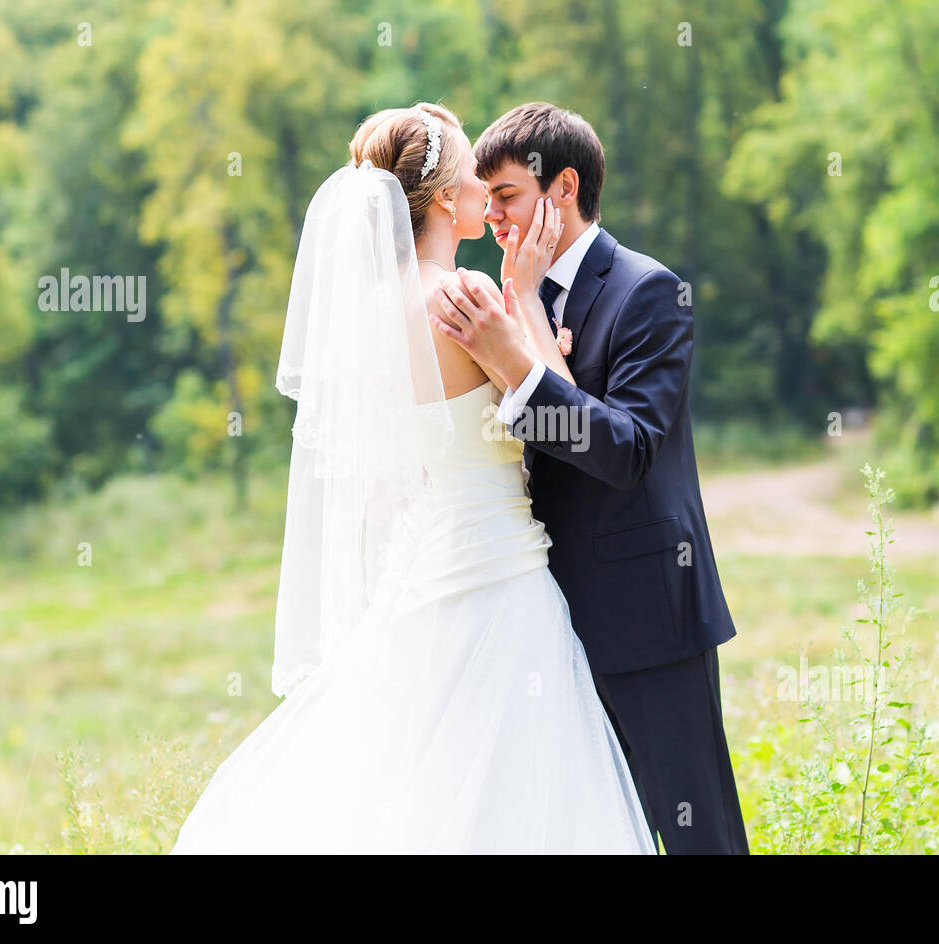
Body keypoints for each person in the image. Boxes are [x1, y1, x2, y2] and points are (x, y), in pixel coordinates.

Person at [171, 102, 654, 854]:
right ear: (442, 200)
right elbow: (566, 426)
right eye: (472, 177)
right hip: (500, 576)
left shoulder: (364, 313)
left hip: (420, 580)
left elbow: (385, 480)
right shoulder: (466, 298)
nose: (485, 194)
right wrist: (523, 298)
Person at [430, 102, 748, 854]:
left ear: (562, 187)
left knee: (697, 831)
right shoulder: (512, 299)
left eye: (505, 195)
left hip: (646, 616)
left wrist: (519, 365)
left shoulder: (648, 292)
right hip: (537, 618)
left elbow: (628, 449)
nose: (495, 217)